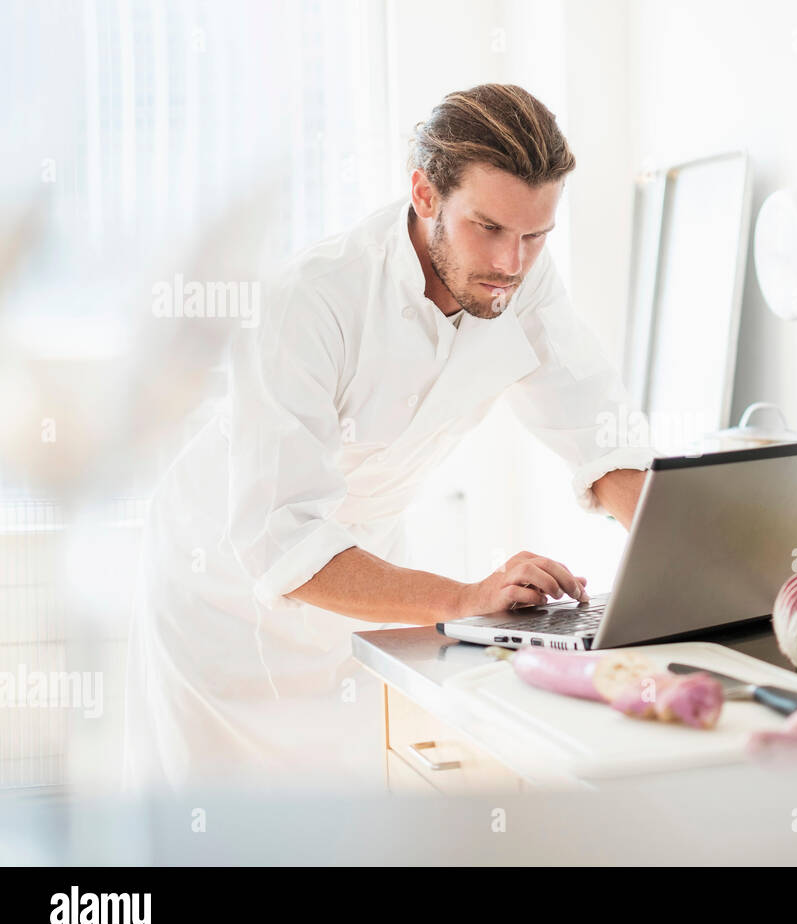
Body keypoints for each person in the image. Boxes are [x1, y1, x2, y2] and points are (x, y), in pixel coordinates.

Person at [123, 83, 652, 792]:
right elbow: (281, 539)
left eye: (535, 235)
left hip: (368, 580)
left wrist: (682, 566)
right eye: (488, 227)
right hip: (221, 592)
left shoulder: (524, 279)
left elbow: (599, 433)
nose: (511, 263)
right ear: (425, 194)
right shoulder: (309, 301)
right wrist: (468, 597)